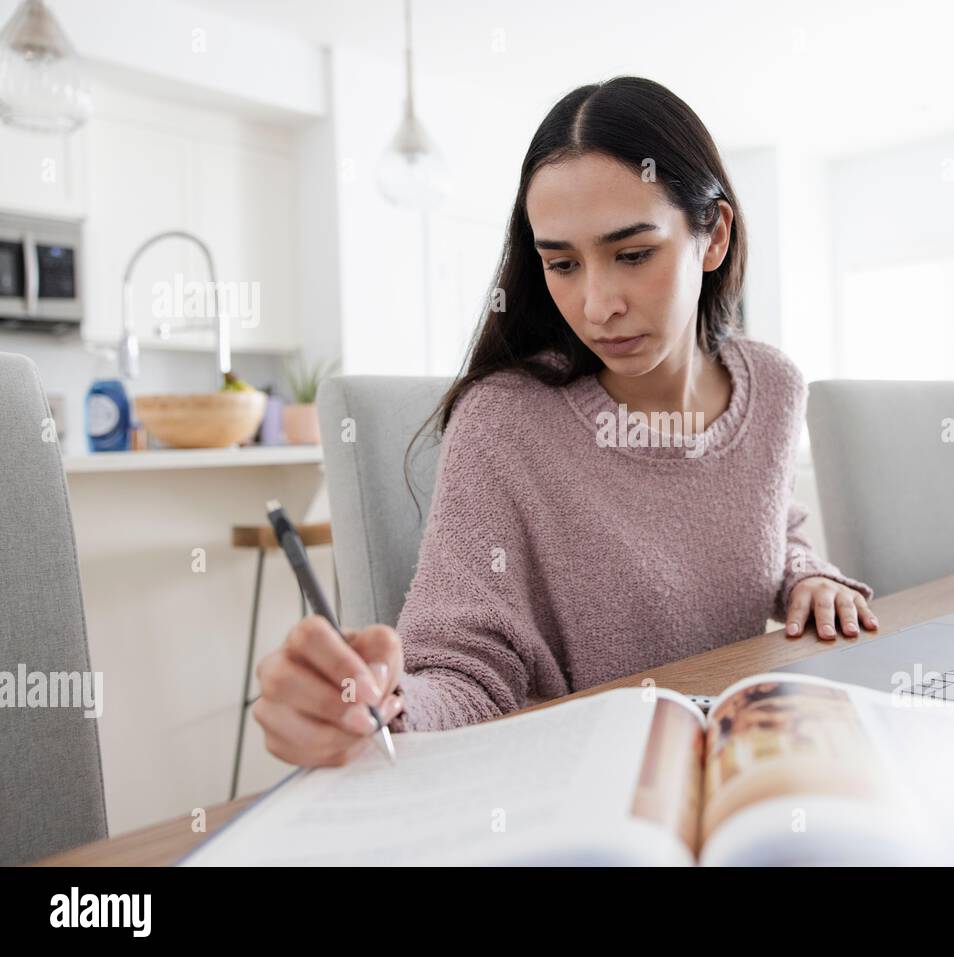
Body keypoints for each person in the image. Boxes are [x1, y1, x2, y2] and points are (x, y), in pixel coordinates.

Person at [252, 76, 877, 769]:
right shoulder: (504, 423)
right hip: (578, 790)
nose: (597, 303)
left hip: (743, 762)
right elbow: (467, 673)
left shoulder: (774, 386)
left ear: (714, 235)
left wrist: (808, 575)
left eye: (632, 254)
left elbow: (768, 520)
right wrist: (384, 710)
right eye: (562, 263)